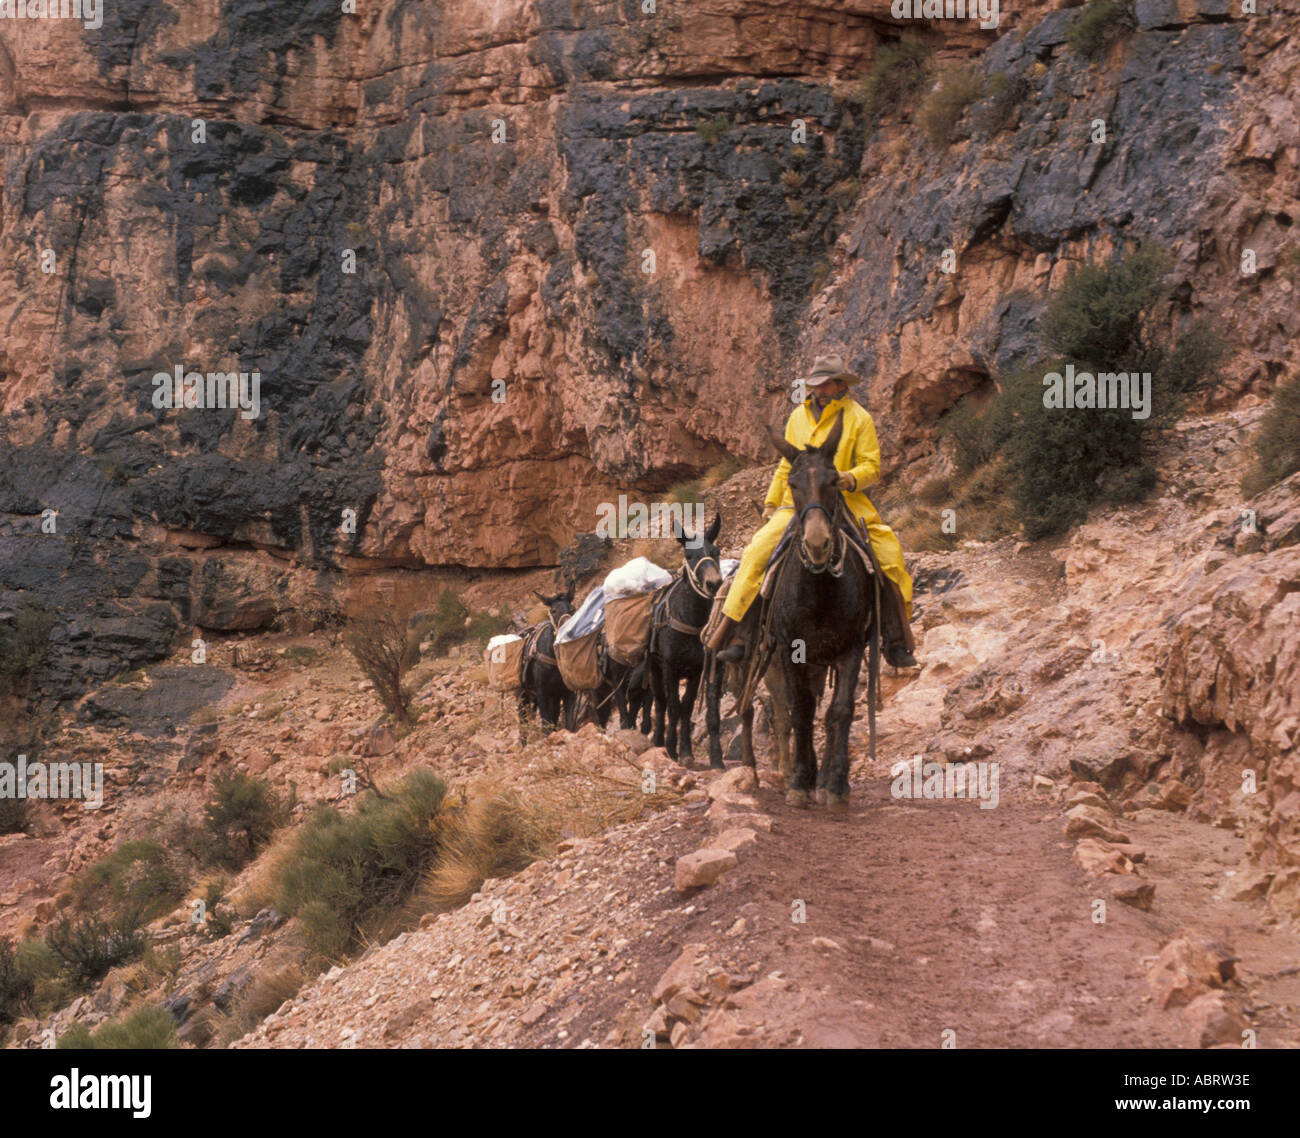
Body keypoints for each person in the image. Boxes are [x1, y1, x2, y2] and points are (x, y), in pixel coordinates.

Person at [706, 353, 917, 668]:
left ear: (840, 384)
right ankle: (741, 635)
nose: (818, 390)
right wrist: (770, 502)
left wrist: (848, 478)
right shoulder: (797, 418)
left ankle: (895, 639)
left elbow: (872, 466)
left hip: (845, 500)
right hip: (798, 503)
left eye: (825, 384)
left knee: (890, 558)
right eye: (814, 385)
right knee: (756, 553)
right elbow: (784, 466)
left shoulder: (859, 418)